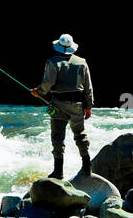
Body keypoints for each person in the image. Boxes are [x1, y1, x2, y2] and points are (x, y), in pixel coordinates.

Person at [30, 33, 94, 179]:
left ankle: (58, 172)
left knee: (58, 137)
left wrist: (38, 92)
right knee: (80, 135)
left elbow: (48, 84)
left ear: (58, 47)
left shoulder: (52, 62)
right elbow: (88, 86)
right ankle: (87, 167)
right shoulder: (82, 62)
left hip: (58, 104)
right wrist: (88, 106)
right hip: (77, 105)